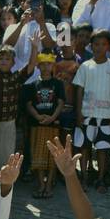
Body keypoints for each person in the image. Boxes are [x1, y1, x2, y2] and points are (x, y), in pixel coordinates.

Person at [0, 33, 39, 195]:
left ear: (13, 63)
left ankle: (3, 187)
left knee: (7, 156)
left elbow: (31, 66)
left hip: (8, 123)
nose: (3, 61)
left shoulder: (16, 78)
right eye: (0, 58)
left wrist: (34, 47)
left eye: (7, 59)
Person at [72, 29, 110, 192]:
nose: (100, 47)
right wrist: (79, 112)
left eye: (103, 44)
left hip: (106, 115)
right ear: (91, 45)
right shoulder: (85, 66)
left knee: (103, 148)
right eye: (96, 44)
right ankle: (84, 178)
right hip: (87, 115)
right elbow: (79, 90)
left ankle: (101, 178)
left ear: (108, 46)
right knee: (84, 147)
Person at [24, 52, 66, 198]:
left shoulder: (58, 84)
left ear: (53, 65)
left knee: (53, 157)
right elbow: (29, 104)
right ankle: (41, 184)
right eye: (42, 64)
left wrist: (53, 117)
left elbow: (60, 103)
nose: (46, 67)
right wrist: (37, 116)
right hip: (37, 125)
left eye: (49, 64)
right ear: (38, 65)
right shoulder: (33, 84)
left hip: (53, 125)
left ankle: (49, 186)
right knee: (38, 156)